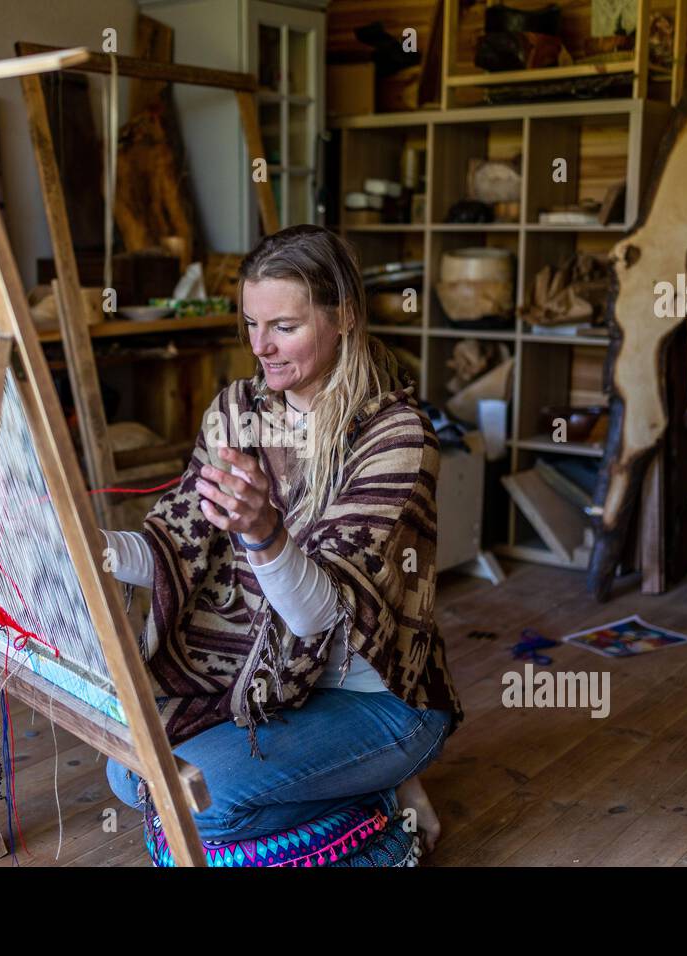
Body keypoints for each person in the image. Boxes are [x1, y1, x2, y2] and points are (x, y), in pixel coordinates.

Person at [102, 224, 463, 856]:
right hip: (265, 677)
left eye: (284, 327)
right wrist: (80, 545)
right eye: (249, 324)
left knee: (195, 805)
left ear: (344, 316)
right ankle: (355, 785)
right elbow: (173, 548)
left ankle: (384, 788)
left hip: (378, 699)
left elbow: (320, 616)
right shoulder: (239, 409)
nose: (260, 347)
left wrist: (264, 533)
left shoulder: (396, 435)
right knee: (127, 767)